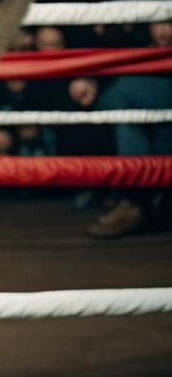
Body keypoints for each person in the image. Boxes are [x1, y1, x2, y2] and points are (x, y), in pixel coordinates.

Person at [74, 21, 172, 238]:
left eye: (170, 23)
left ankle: (137, 202)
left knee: (122, 98)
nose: (164, 30)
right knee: (128, 118)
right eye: (159, 23)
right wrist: (89, 79)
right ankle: (144, 200)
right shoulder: (137, 41)